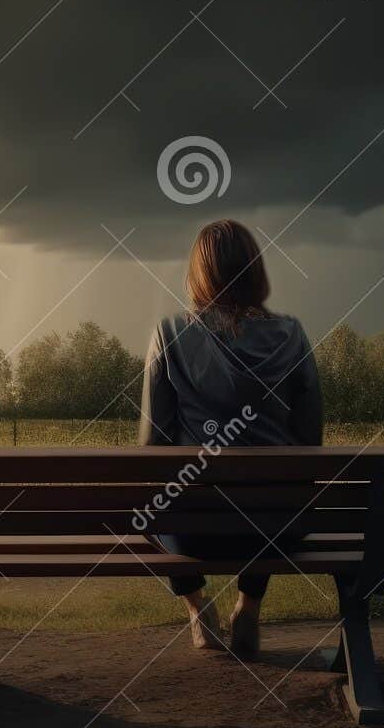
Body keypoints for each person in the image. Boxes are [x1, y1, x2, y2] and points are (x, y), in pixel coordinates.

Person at [138, 219, 324, 658]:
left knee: (149, 506)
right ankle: (250, 603)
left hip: (193, 532)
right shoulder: (294, 336)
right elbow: (310, 442)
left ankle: (198, 609)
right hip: (275, 531)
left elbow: (151, 449)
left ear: (198, 275)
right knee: (280, 497)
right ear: (256, 271)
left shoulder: (169, 335)